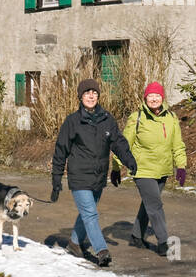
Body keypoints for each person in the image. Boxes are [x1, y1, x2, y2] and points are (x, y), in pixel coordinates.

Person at [51, 78, 138, 267]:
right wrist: (56, 178)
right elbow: (61, 150)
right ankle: (101, 250)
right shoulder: (72, 122)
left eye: (94, 93)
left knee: (86, 213)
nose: (91, 96)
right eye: (87, 93)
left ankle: (74, 244)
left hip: (98, 177)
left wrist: (129, 160)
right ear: (80, 97)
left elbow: (119, 143)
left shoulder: (107, 119)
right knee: (90, 214)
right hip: (79, 176)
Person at [114, 81, 187, 257]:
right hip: (142, 169)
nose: (154, 99)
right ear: (145, 98)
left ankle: (136, 235)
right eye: (150, 96)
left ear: (162, 98)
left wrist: (181, 166)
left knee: (149, 204)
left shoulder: (171, 118)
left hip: (162, 169)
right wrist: (116, 166)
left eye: (157, 96)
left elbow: (177, 144)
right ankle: (163, 242)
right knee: (155, 205)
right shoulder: (136, 117)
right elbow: (123, 145)